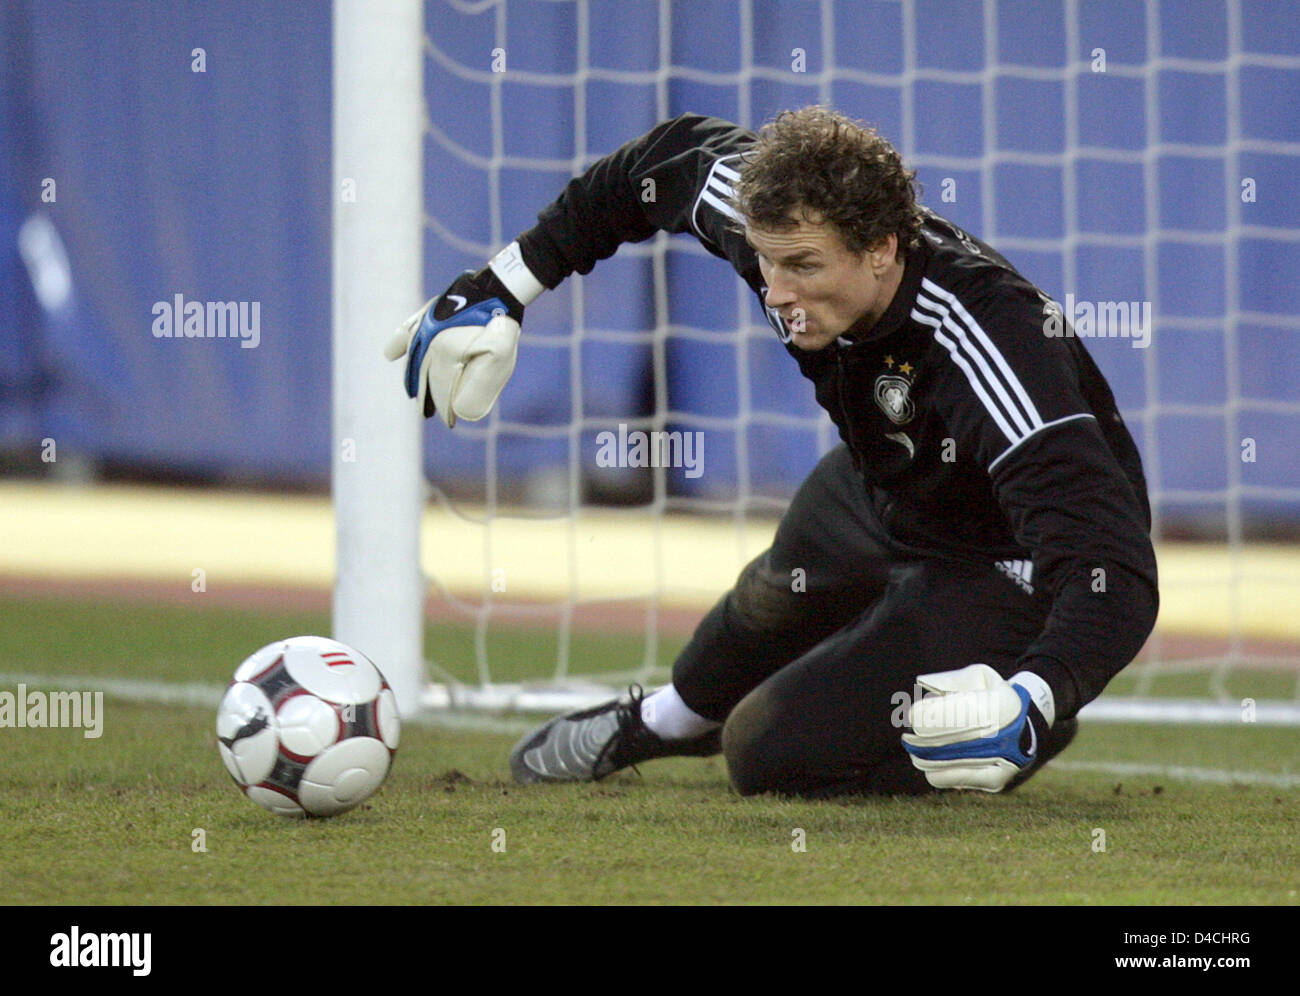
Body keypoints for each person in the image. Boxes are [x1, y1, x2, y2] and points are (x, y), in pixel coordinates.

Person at [386, 107, 1158, 797]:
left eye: (804, 267)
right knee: (765, 601)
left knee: (764, 750)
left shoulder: (987, 339)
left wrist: (1037, 693)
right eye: (766, 262)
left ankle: (1018, 725)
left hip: (1008, 558)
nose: (777, 292)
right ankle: (665, 721)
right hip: (887, 482)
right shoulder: (773, 222)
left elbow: (1112, 567)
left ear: (883, 248)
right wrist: (503, 286)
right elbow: (660, 162)